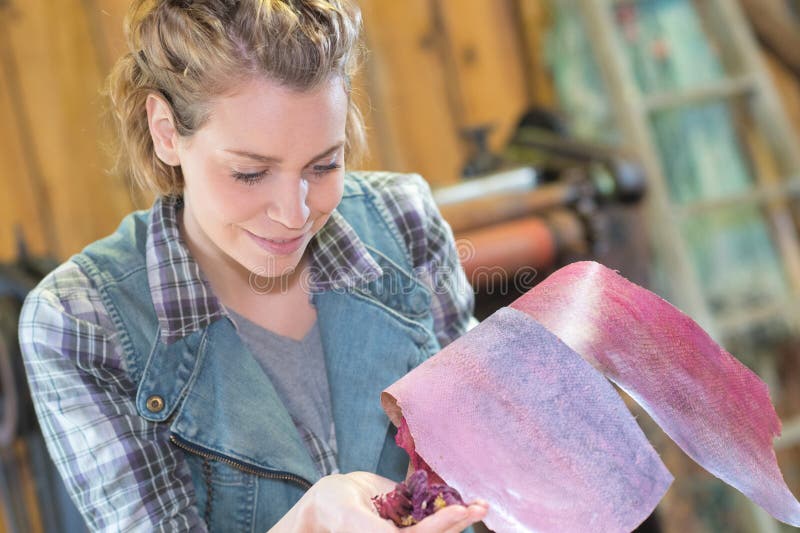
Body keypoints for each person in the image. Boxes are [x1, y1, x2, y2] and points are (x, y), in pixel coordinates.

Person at [18, 0, 487, 531]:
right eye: (249, 173)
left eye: (324, 164)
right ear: (167, 131)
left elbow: (486, 462)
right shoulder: (79, 323)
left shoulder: (404, 220)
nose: (294, 213)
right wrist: (309, 520)